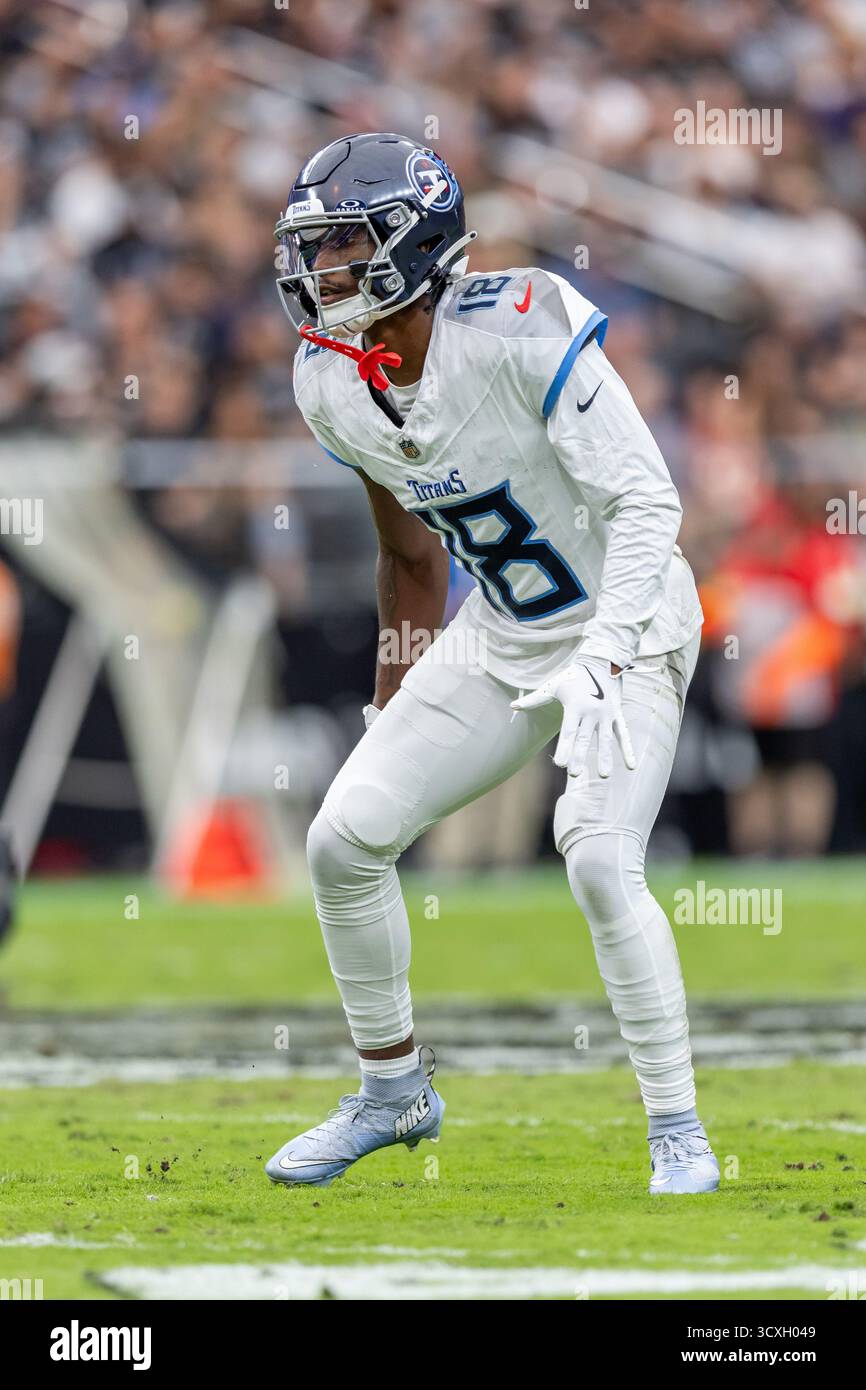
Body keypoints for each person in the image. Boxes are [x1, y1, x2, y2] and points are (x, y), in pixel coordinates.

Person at [265, 133, 717, 1195]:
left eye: (345, 248)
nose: (321, 273)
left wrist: (605, 657)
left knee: (599, 859)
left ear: (415, 244)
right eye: (314, 250)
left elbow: (648, 502)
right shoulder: (330, 378)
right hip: (505, 630)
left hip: (631, 616)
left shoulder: (522, 327)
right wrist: (391, 702)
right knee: (342, 840)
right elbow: (408, 552)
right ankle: (393, 1092)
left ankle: (677, 1131)